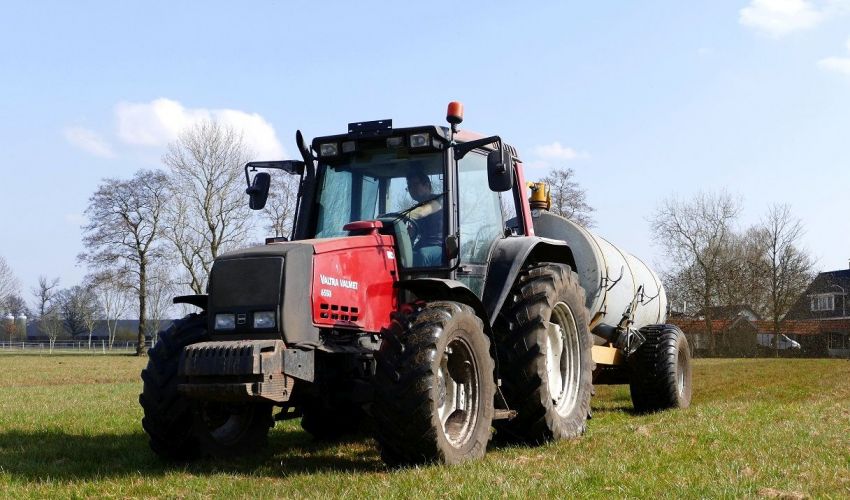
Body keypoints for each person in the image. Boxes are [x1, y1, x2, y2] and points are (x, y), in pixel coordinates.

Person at [405, 171, 444, 266]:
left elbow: (423, 211)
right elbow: (412, 233)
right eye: (409, 186)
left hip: (441, 247)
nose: (411, 189)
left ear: (426, 185)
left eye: (415, 184)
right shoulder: (416, 210)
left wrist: (399, 215)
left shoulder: (440, 200)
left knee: (423, 255)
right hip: (424, 245)